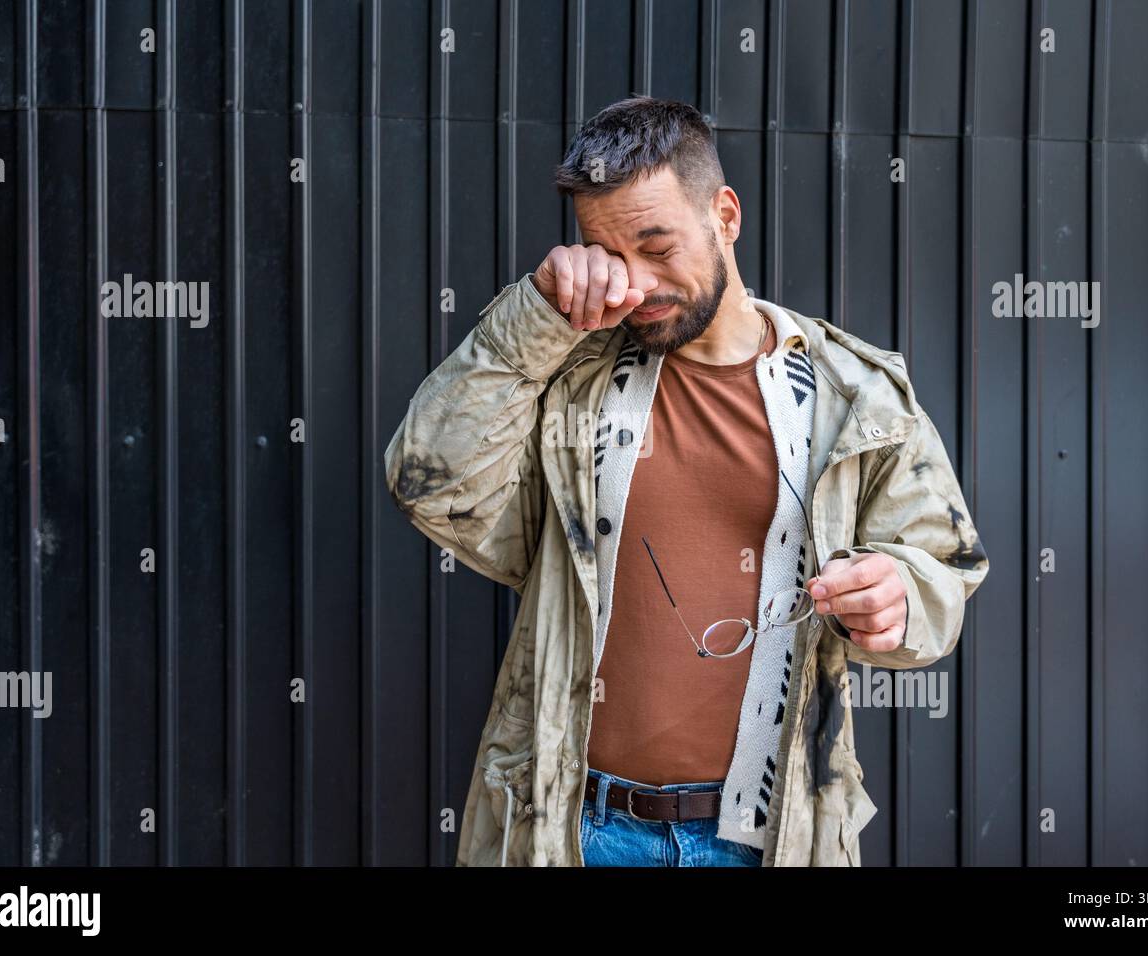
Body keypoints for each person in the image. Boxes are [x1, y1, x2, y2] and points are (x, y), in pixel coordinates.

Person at [385, 96, 988, 866]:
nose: (636, 282)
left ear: (725, 216)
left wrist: (899, 594)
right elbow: (428, 482)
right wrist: (536, 315)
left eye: (657, 245)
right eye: (609, 253)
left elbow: (943, 573)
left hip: (766, 841)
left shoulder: (855, 395)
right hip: (574, 829)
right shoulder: (567, 375)